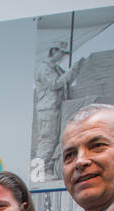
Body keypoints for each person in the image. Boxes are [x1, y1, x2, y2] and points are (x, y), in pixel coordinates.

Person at [33, 42, 75, 180]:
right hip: (47, 108)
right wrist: (70, 73)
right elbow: (55, 84)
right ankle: (37, 174)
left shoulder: (55, 68)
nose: (63, 56)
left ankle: (47, 170)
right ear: (54, 51)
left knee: (54, 140)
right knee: (46, 140)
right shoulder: (44, 68)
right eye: (61, 53)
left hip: (54, 107)